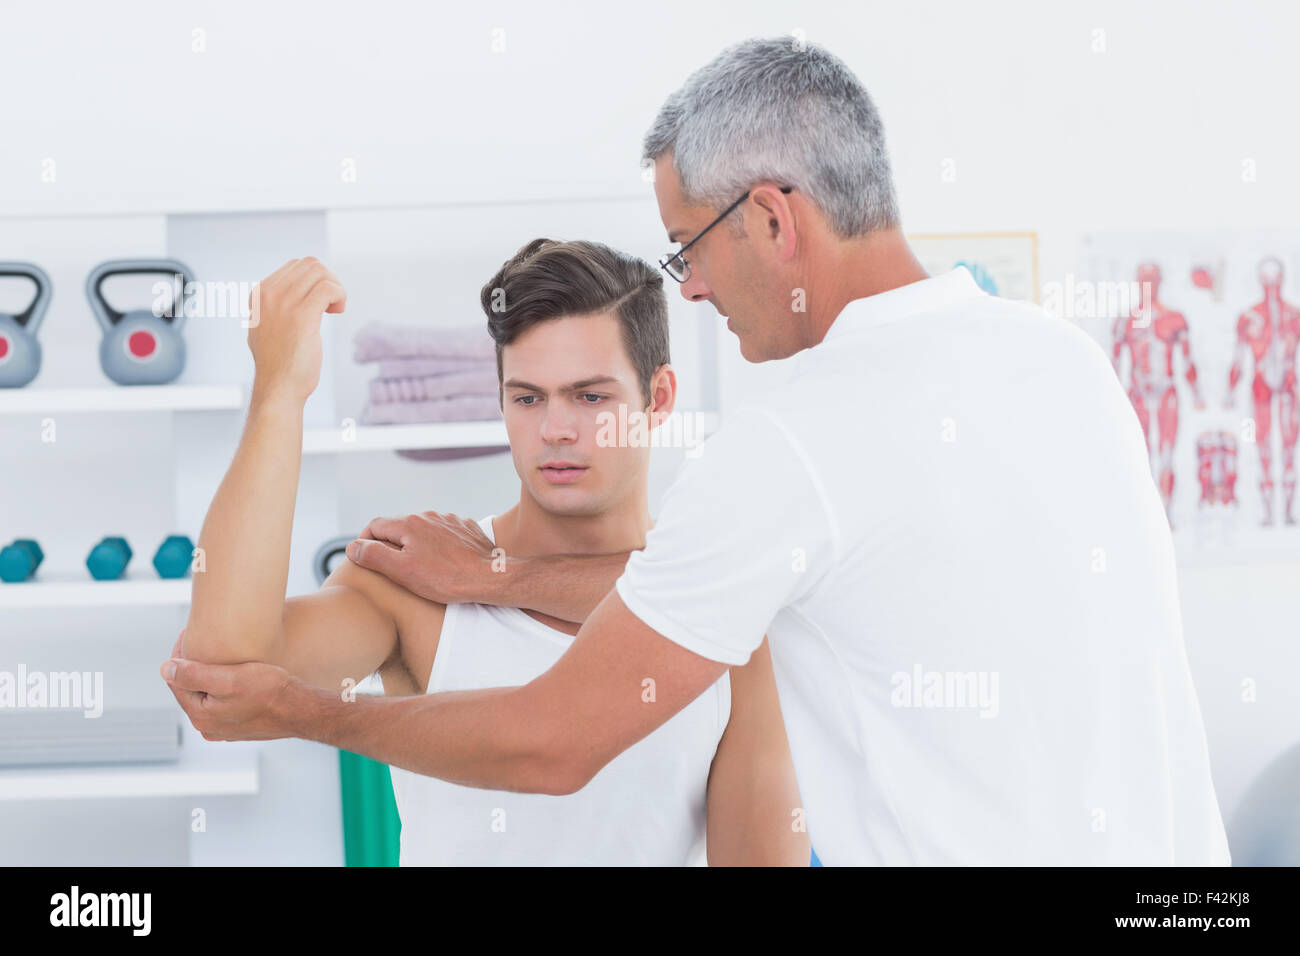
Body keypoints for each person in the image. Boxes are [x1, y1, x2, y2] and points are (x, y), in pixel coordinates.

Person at [163, 36, 1230, 865]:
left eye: (690, 245)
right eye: (526, 395)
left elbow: (553, 736)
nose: (696, 284)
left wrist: (307, 713)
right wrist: (285, 400)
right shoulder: (1061, 360)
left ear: (771, 217)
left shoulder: (796, 440)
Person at [174, 237, 808, 866]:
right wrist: (278, 392)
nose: (556, 429)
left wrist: (498, 579)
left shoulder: (730, 628)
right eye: (528, 398)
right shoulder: (411, 581)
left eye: (591, 397)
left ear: (658, 398)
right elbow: (225, 668)